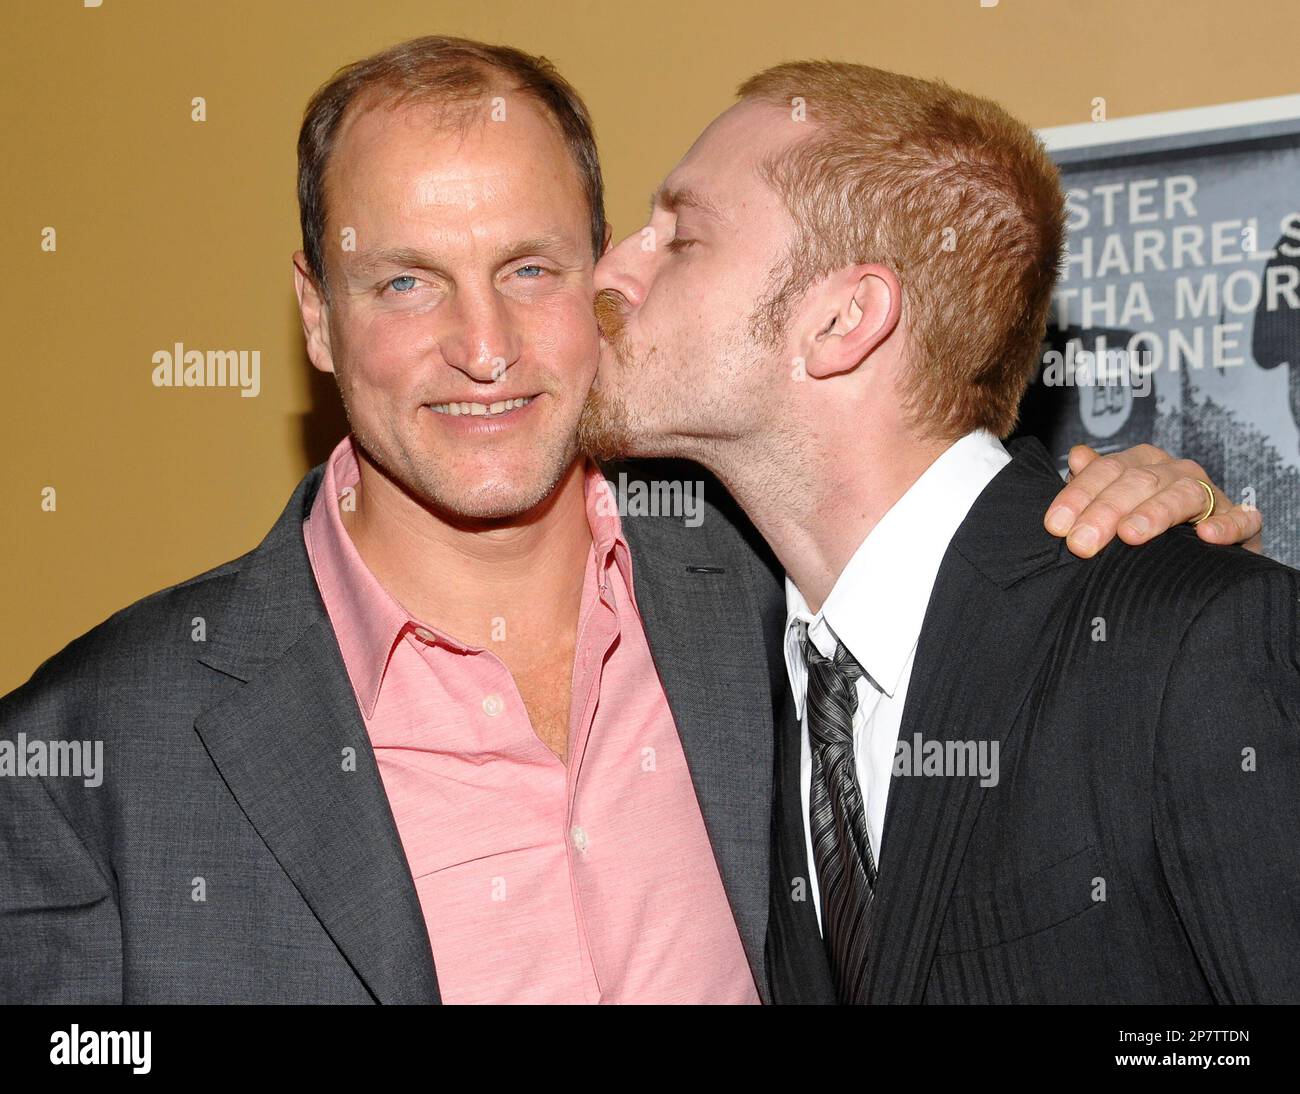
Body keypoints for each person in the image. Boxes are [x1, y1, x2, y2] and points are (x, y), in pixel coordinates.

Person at [0, 39, 1259, 1005]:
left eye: (531, 268)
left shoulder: (777, 601)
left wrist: (1136, 515)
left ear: (597, 271)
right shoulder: (97, 755)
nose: (483, 349)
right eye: (403, 281)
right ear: (317, 315)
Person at [582, 59, 1299, 1004]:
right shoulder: (729, 654)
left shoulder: (1195, 640)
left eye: (681, 238)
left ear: (844, 319)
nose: (610, 272)